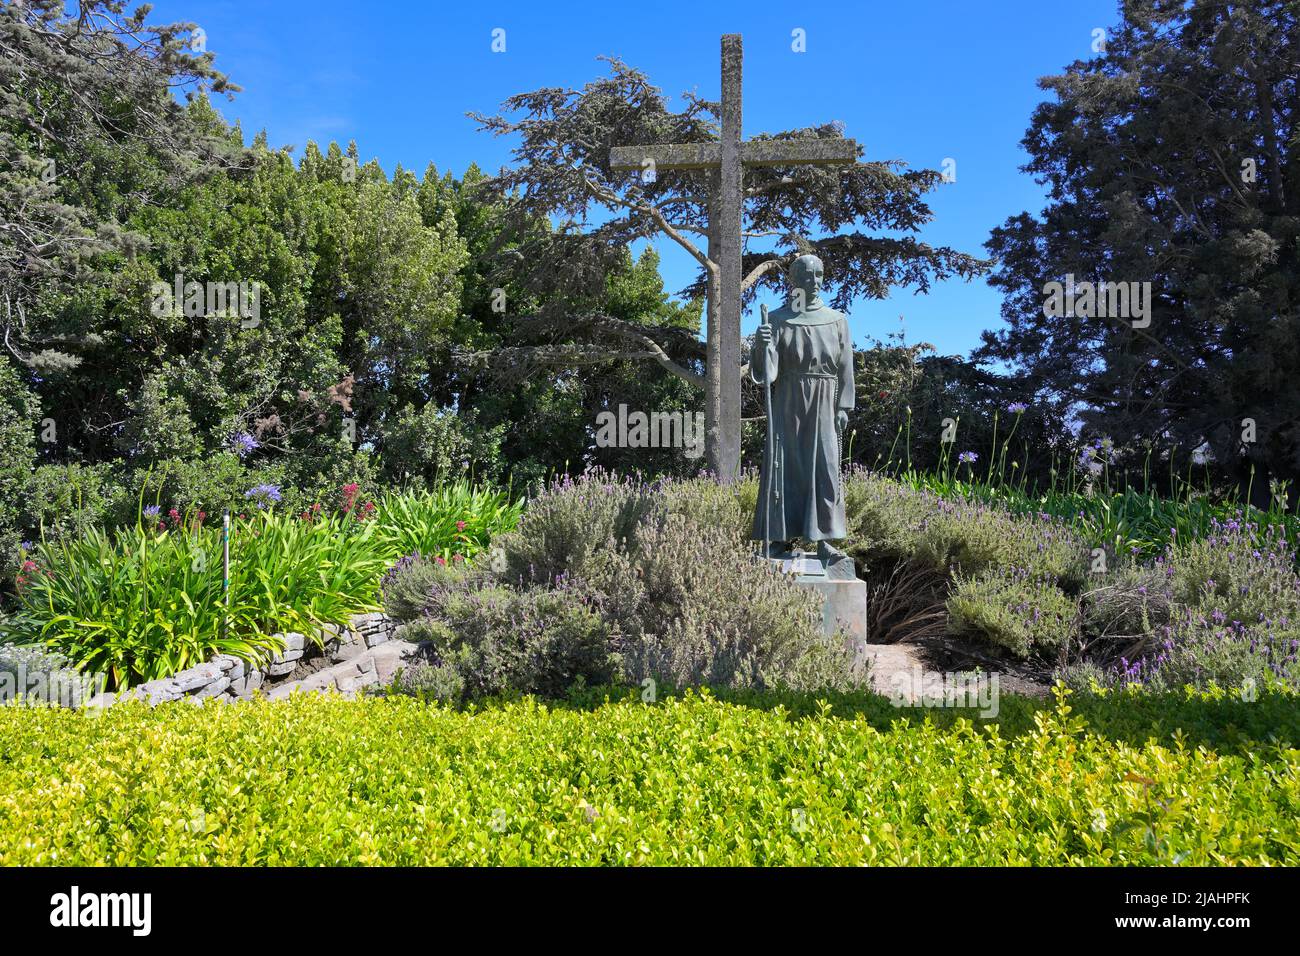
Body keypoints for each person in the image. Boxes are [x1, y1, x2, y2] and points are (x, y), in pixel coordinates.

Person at [751, 254, 854, 562]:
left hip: (825, 399)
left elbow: (846, 366)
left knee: (825, 466)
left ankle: (826, 540)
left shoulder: (837, 319)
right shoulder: (779, 319)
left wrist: (844, 405)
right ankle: (778, 539)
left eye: (819, 275)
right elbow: (767, 373)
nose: (814, 281)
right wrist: (761, 344)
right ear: (794, 280)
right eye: (807, 276)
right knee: (783, 465)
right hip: (788, 399)